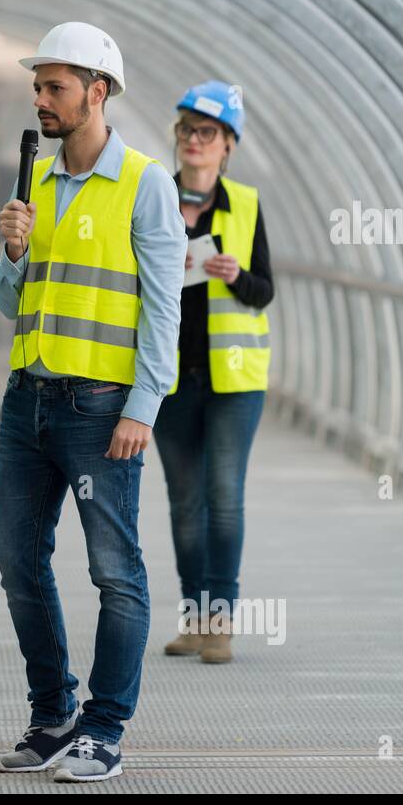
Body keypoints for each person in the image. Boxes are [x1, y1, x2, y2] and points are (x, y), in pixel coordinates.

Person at [0, 22, 187, 782]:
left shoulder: (145, 183)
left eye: (55, 87)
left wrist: (144, 404)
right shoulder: (32, 182)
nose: (40, 99)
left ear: (97, 92)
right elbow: (14, 300)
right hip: (26, 401)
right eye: (37, 86)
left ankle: (104, 727)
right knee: (17, 561)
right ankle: (52, 715)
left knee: (115, 569)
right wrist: (11, 254)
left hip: (103, 411)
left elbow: (163, 307)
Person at [154, 80, 273, 665]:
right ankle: (195, 617)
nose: (195, 142)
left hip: (234, 381)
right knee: (184, 502)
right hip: (169, 377)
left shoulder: (245, 206)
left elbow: (264, 291)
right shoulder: (153, 200)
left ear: (228, 145)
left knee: (224, 497)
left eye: (208, 133)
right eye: (187, 131)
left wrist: (233, 275)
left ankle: (220, 622)